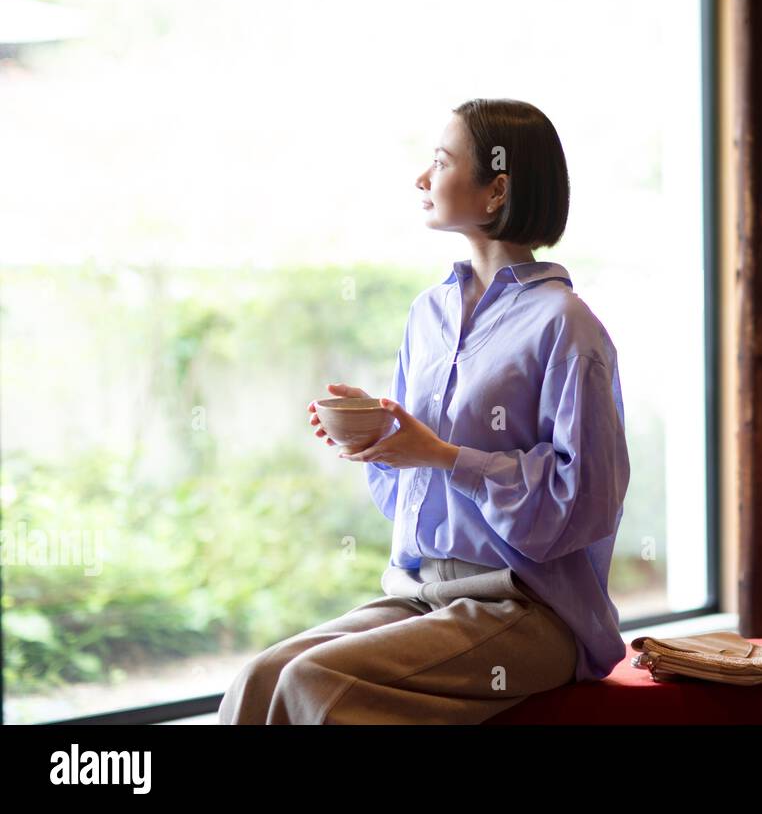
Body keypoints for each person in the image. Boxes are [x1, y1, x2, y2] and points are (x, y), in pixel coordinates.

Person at [218, 98, 632, 724]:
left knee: (315, 683)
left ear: (497, 190)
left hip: (527, 607)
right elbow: (405, 494)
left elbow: (586, 501)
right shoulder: (428, 314)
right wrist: (381, 439)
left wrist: (441, 455)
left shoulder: (567, 327)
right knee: (259, 679)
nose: (421, 179)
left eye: (439, 162)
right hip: (422, 593)